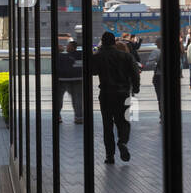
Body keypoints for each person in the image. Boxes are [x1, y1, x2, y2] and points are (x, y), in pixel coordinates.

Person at [92, 31, 140, 163]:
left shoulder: (98, 56)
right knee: (123, 121)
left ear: (103, 42)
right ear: (114, 42)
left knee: (107, 125)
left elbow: (92, 71)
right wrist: (136, 88)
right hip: (123, 93)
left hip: (106, 94)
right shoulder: (126, 56)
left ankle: (110, 156)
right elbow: (135, 73)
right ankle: (123, 142)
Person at [55, 39, 83, 124]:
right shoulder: (80, 54)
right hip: (77, 79)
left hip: (62, 80)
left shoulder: (61, 56)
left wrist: (59, 50)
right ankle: (79, 117)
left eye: (68, 45)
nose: (66, 47)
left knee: (59, 99)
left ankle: (57, 116)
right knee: (78, 99)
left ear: (72, 47)